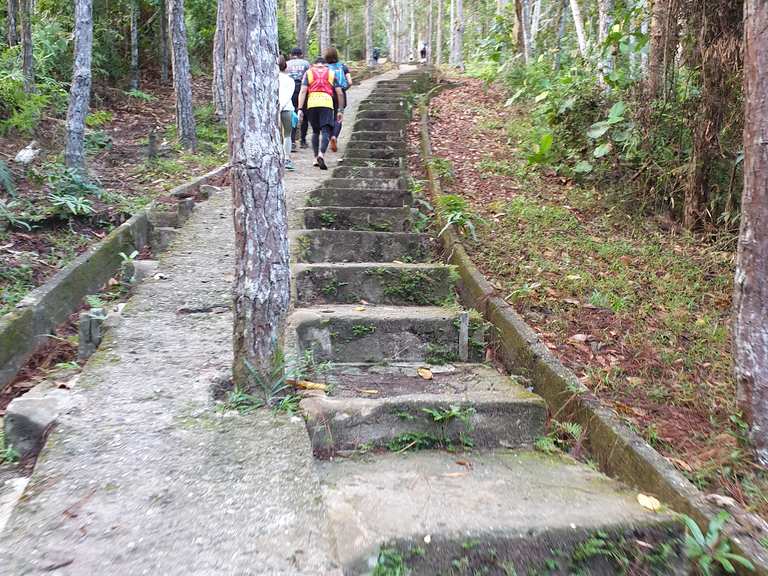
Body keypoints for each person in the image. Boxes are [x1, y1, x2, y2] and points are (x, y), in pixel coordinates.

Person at [297, 57, 344, 170]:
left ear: (314, 64)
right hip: (326, 103)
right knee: (325, 130)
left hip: (312, 103)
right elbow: (340, 93)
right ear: (325, 64)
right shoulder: (331, 73)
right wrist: (340, 110)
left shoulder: (308, 73)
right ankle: (321, 154)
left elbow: (303, 91)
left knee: (315, 131)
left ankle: (315, 158)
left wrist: (300, 109)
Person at [324, 47, 352, 153]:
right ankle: (334, 136)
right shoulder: (343, 66)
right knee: (338, 116)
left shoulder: (325, 68)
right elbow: (350, 82)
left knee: (328, 117)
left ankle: (330, 136)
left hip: (327, 94)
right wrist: (344, 89)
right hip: (341, 95)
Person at [286, 47, 310, 150]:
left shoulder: (287, 64)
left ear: (291, 55)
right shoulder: (306, 63)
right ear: (301, 54)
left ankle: (292, 142)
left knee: (292, 113)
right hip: (303, 89)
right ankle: (303, 140)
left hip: (290, 89)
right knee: (304, 114)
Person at [278, 56, 295, 171]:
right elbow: (289, 95)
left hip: (273, 109)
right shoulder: (290, 80)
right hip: (287, 108)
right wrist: (282, 105)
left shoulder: (269, 78)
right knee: (287, 135)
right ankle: (287, 158)